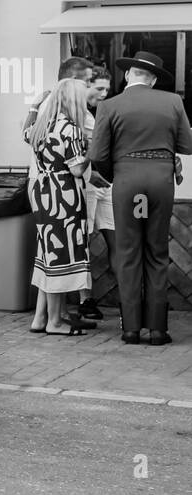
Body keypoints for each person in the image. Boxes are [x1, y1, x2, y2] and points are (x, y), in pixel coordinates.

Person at [88, 51, 192, 345]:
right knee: (157, 253)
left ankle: (131, 328)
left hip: (127, 181)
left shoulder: (109, 105)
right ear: (155, 79)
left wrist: (115, 174)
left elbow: (97, 155)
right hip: (160, 181)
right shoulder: (172, 101)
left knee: (128, 252)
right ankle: (158, 329)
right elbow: (187, 145)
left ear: (128, 75)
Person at [24, 79, 93, 335]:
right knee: (61, 256)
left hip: (43, 192)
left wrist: (33, 107)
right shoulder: (71, 129)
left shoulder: (43, 125)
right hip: (63, 195)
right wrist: (92, 151)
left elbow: (25, 132)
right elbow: (76, 169)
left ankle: (40, 319)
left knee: (48, 254)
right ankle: (54, 322)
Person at [80, 67, 115, 321]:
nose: (104, 94)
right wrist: (89, 173)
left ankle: (131, 298)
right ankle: (85, 299)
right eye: (99, 88)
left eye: (107, 89)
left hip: (109, 184)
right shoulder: (76, 111)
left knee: (116, 237)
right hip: (88, 183)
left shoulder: (108, 109)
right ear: (85, 85)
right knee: (84, 241)